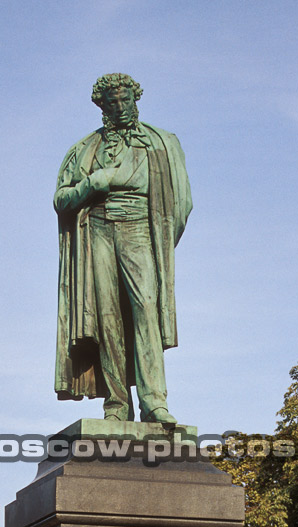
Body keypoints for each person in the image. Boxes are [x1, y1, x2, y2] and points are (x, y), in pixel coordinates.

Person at [54, 73, 192, 424]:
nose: (120, 106)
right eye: (112, 102)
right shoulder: (85, 149)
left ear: (136, 99)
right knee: (107, 318)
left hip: (140, 230)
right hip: (97, 229)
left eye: (125, 99)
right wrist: (92, 184)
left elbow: (182, 203)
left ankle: (154, 402)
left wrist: (161, 242)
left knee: (146, 308)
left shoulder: (162, 142)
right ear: (102, 106)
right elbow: (61, 199)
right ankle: (116, 405)